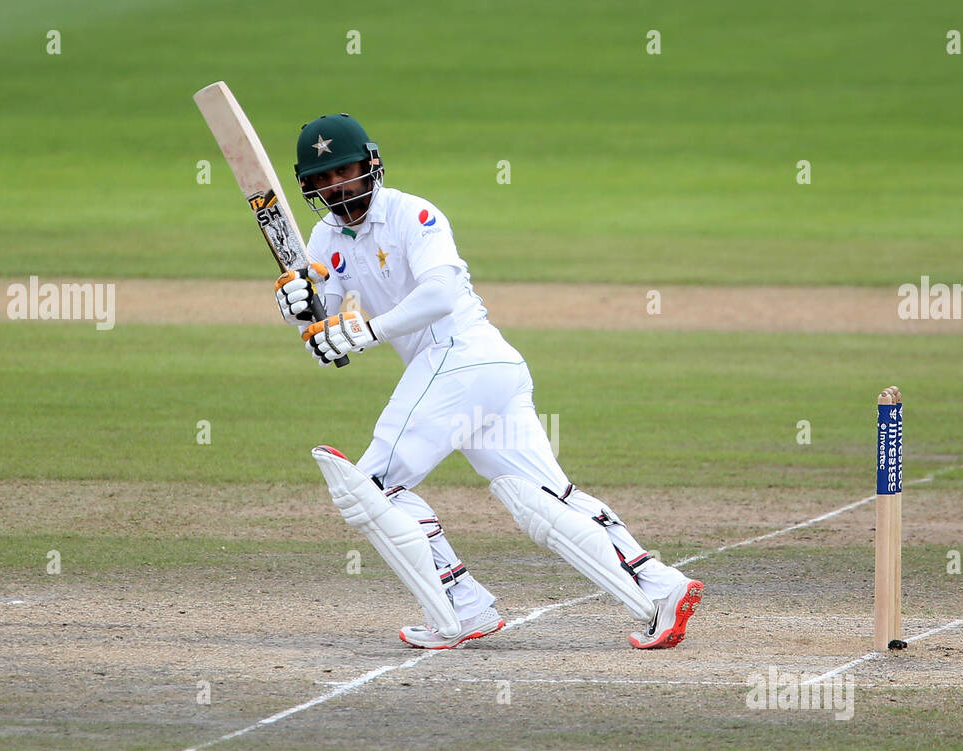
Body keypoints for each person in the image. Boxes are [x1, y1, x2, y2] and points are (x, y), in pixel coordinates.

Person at [274, 113, 703, 650]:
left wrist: (368, 331)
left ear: (371, 165)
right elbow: (327, 329)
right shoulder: (323, 237)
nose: (338, 185)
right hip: (480, 373)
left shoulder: (415, 215)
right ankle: (663, 586)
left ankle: (461, 602)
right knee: (544, 497)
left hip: (463, 357)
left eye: (347, 171)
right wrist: (298, 310)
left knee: (372, 490)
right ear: (309, 186)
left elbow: (440, 296)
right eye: (325, 178)